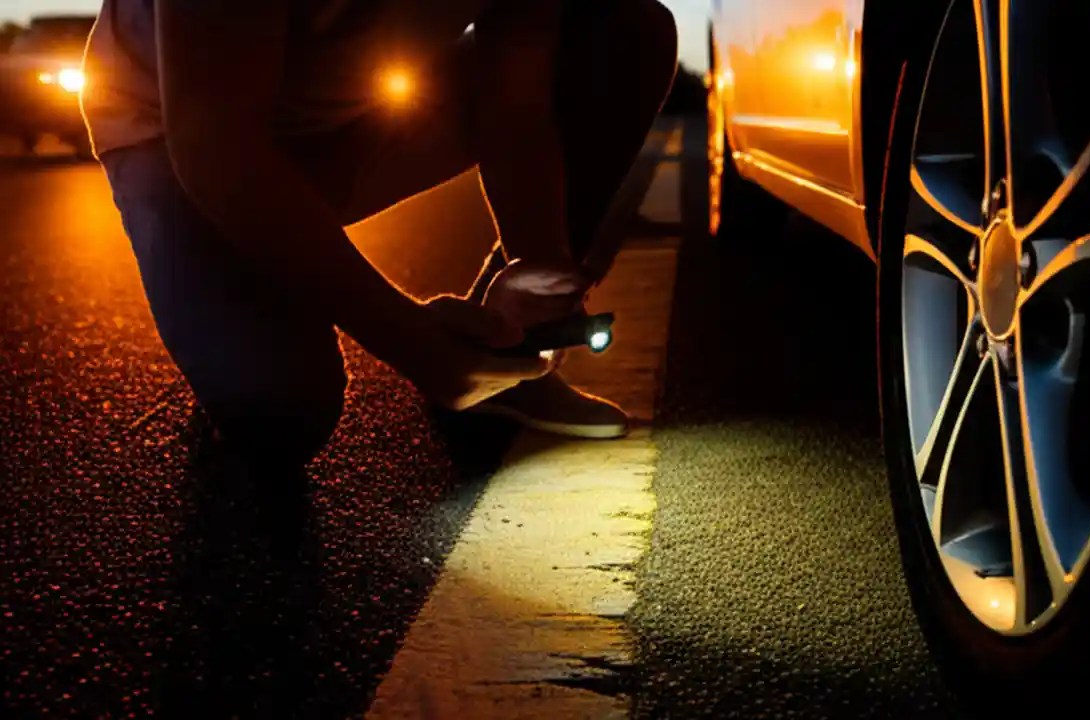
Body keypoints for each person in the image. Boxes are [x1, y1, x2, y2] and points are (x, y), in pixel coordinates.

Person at [81, 0, 678, 467]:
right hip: (176, 133)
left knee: (626, 34)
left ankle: (510, 361)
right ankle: (233, 286)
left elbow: (516, 101)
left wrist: (538, 262)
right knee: (280, 408)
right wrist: (413, 343)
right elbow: (217, 149)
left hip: (344, 124)